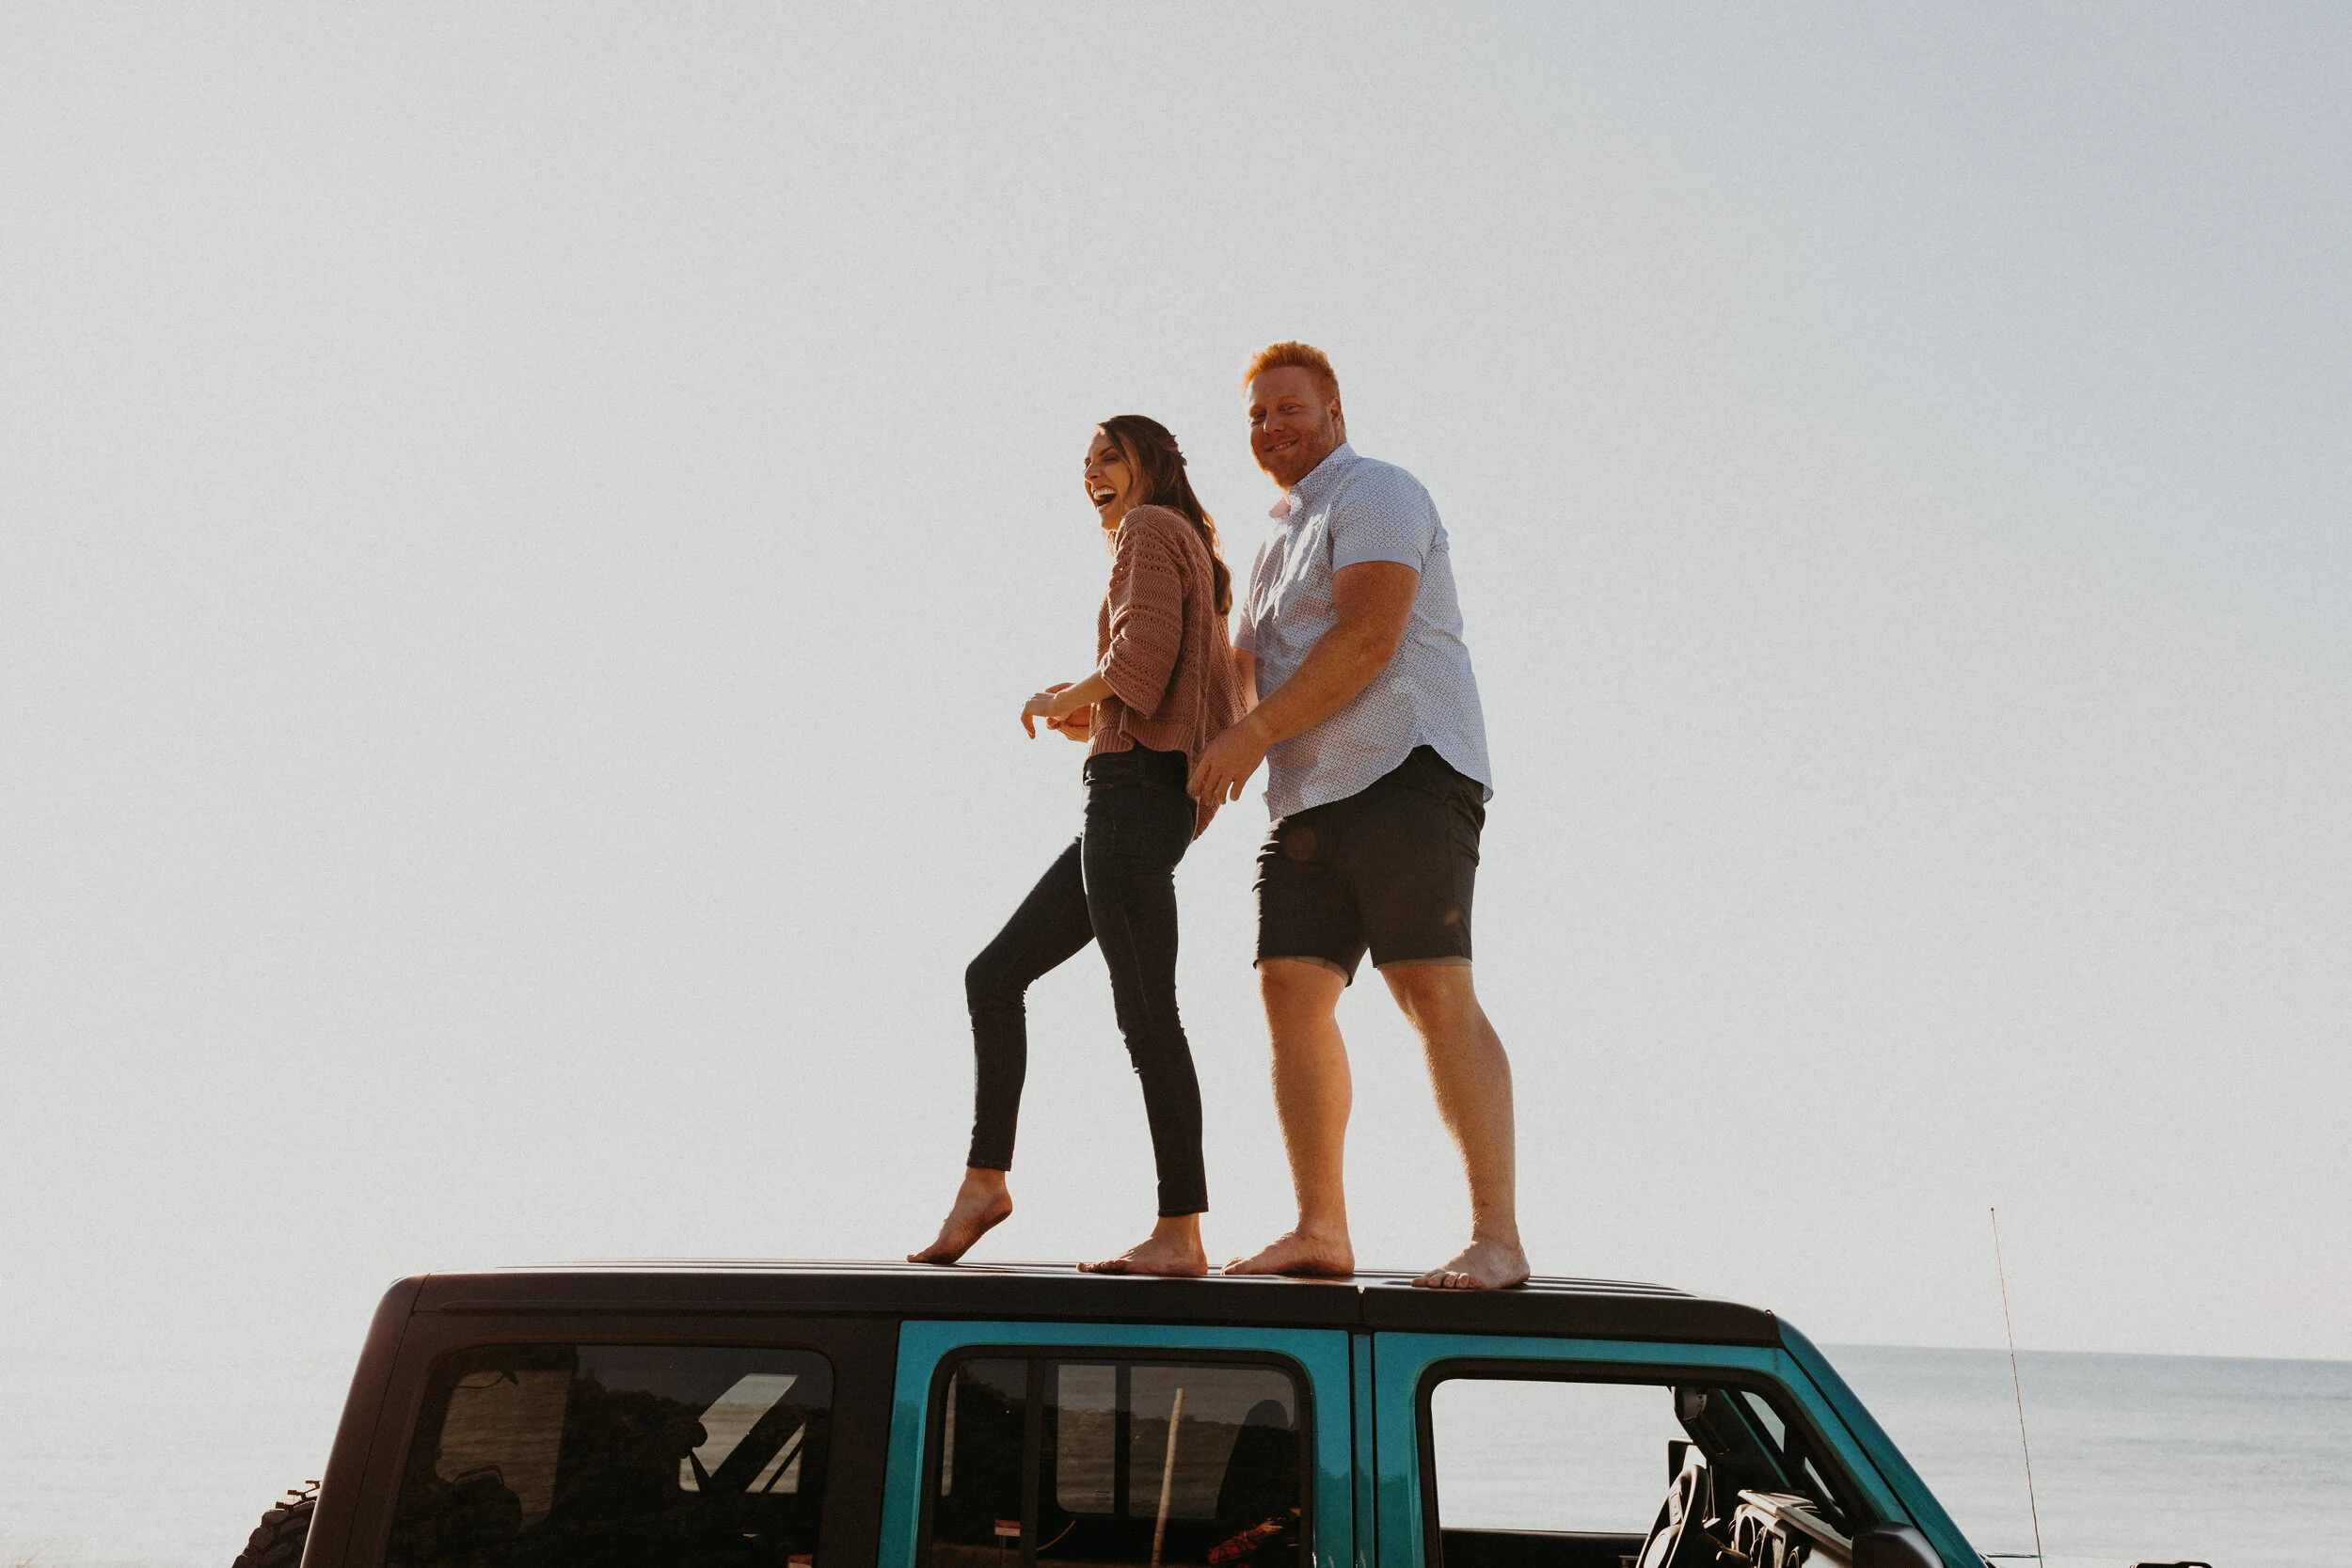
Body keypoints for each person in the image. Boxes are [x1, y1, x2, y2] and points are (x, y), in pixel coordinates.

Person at [1189, 342, 1531, 1291]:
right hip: (1307, 797)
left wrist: (1251, 734)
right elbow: (1237, 676)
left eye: (1289, 407)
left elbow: (1370, 635)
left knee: (1429, 987)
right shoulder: (1271, 541)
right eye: (1257, 415)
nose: (1272, 426)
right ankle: (1320, 1228)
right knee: (1289, 988)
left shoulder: (1378, 491)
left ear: (1334, 412)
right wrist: (1126, 715)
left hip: (1407, 768)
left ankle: (1497, 1237)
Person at [911, 416, 1248, 1276]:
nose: (1093, 473)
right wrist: (1091, 709)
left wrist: (1053, 699)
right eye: (1086, 463)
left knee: (1148, 1017)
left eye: (1109, 456)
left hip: (1129, 804)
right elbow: (1172, 684)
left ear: (1151, 464)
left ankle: (1180, 1231)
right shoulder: (1192, 548)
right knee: (995, 976)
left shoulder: (1147, 529)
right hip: (1143, 804)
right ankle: (985, 1183)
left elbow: (1139, 663)